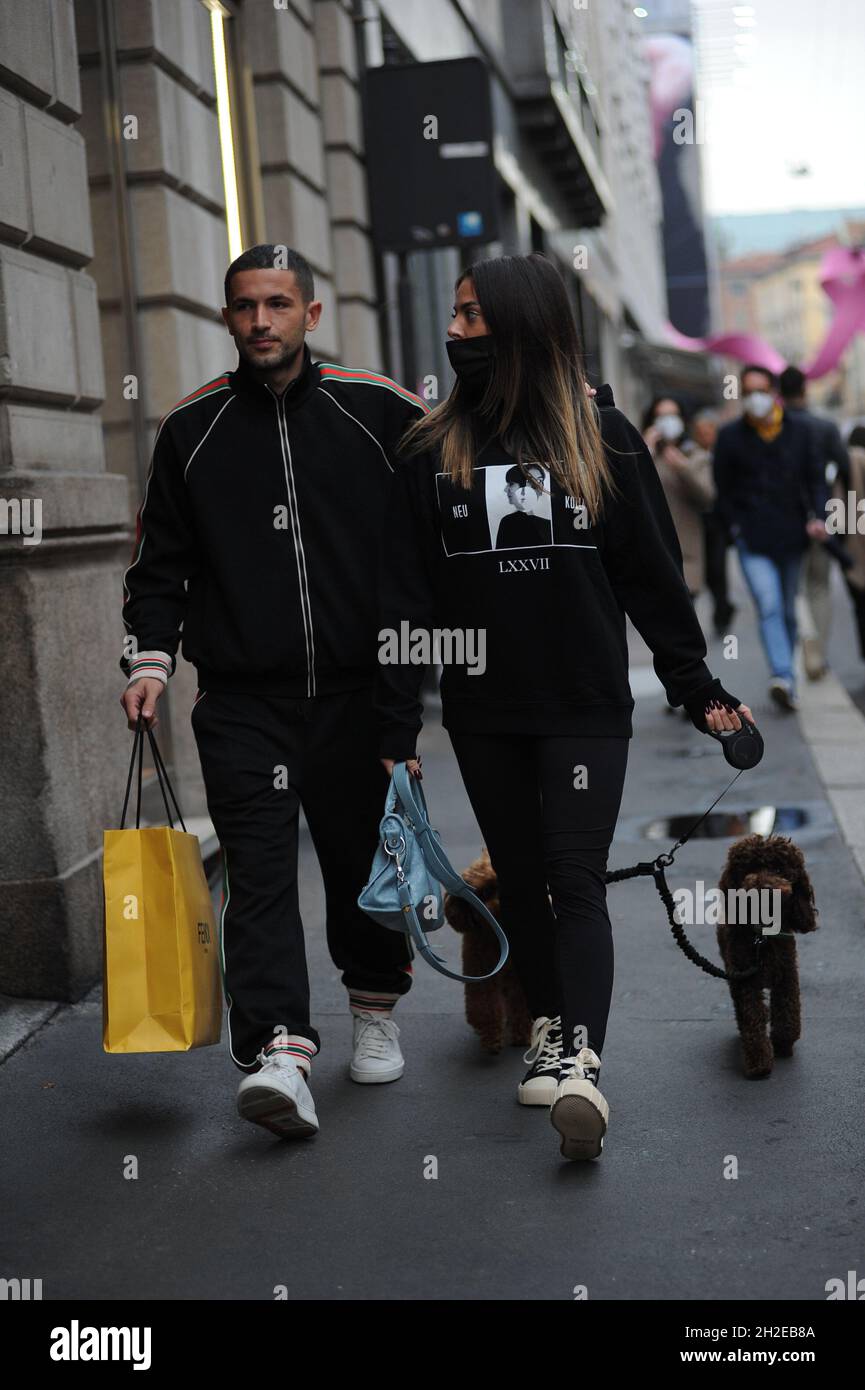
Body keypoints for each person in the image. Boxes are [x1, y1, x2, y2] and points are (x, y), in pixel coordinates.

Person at [374, 252, 754, 1162]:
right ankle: (547, 1026)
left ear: (518, 325)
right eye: (456, 315)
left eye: (471, 317)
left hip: (583, 702)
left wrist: (697, 689)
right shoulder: (430, 450)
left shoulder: (603, 438)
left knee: (574, 875)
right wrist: (396, 726)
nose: (455, 330)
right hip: (481, 707)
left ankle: (581, 1061)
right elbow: (405, 601)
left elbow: (651, 577)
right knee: (522, 881)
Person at [119, 244, 428, 1140]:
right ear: (226, 319)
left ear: (312, 315)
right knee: (256, 877)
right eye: (246, 306)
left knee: (361, 867)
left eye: (279, 305)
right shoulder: (192, 428)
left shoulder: (379, 410)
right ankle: (281, 1052)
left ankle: (373, 1008)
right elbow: (159, 564)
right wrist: (149, 661)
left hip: (357, 695)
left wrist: (404, 696)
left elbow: (427, 543)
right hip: (244, 700)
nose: (262, 321)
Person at [712, 364, 828, 712]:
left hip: (793, 537)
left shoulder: (800, 431)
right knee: (770, 603)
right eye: (748, 392)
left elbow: (816, 480)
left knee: (789, 608)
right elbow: (723, 488)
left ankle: (786, 671)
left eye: (761, 390)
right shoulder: (730, 436)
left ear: (774, 392)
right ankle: (783, 676)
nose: (756, 399)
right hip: (752, 540)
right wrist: (735, 527)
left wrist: (818, 516)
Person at [780, 365, 851, 680]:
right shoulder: (824, 426)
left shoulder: (775, 427)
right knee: (819, 587)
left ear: (778, 393)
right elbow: (845, 467)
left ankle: (793, 654)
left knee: (787, 590)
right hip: (821, 517)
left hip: (783, 517)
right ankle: (817, 654)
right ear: (805, 390)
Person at [641, 396, 715, 601]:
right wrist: (645, 451)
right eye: (661, 416)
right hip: (652, 553)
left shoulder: (695, 456)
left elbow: (707, 497)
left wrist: (684, 469)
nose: (668, 421)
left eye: (673, 415)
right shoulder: (643, 455)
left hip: (686, 554)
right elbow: (629, 492)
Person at [691, 408, 736, 636]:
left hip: (719, 522)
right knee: (705, 571)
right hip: (697, 522)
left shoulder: (724, 455)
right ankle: (722, 608)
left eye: (709, 431)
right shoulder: (690, 456)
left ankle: (723, 611)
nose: (706, 435)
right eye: (701, 432)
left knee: (718, 569)